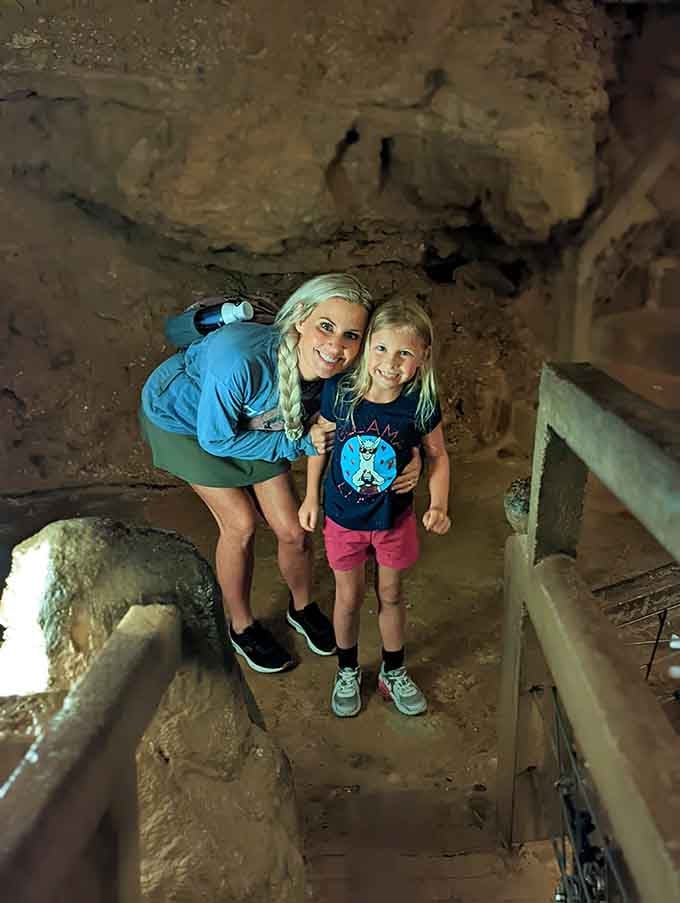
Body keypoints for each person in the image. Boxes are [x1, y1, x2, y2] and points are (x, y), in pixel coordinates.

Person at [139, 274, 422, 674]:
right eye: (326, 326)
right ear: (301, 319)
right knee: (240, 525)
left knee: (292, 529)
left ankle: (302, 608)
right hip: (187, 424)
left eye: (350, 335)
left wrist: (413, 458)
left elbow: (383, 415)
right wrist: (301, 444)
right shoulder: (239, 360)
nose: (335, 346)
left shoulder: (344, 367)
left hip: (265, 425)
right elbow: (217, 439)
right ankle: (240, 625)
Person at [298, 298, 451, 716]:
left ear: (422, 358)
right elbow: (321, 443)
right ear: (367, 348)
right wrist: (311, 496)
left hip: (393, 520)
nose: (390, 362)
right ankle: (347, 669)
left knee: (391, 594)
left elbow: (437, 455)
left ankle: (393, 670)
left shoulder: (419, 403)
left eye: (405, 353)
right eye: (381, 349)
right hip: (343, 520)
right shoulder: (342, 392)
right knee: (347, 597)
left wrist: (439, 504)